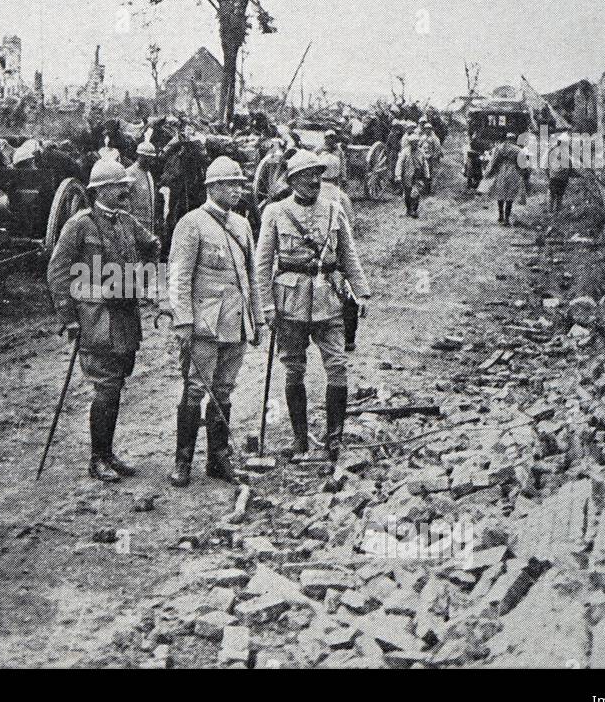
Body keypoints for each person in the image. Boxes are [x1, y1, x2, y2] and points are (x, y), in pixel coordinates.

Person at [47, 159, 161, 482]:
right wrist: (69, 318)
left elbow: (152, 245)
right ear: (101, 190)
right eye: (118, 187)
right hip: (96, 319)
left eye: (125, 186)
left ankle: (108, 454)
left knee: (117, 383)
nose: (125, 191)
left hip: (125, 317)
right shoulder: (80, 224)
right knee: (106, 387)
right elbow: (57, 272)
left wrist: (146, 278)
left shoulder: (126, 221)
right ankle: (97, 459)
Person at [255, 151, 371, 462]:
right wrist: (266, 306)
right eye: (306, 175)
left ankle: (334, 440)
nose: (313, 180)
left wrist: (361, 293)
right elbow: (263, 264)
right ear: (292, 180)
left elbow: (348, 255)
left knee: (337, 366)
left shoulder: (333, 210)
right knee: (293, 368)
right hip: (289, 303)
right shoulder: (275, 213)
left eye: (317, 174)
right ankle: (299, 440)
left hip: (328, 301)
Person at [165, 156, 264, 487]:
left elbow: (252, 277)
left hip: (236, 323)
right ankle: (183, 462)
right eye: (230, 185)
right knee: (195, 389)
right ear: (213, 187)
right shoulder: (191, 224)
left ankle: (218, 460)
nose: (237, 191)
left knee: (223, 390)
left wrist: (258, 320)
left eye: (239, 185)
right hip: (204, 324)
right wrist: (182, 321)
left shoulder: (242, 225)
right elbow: (178, 277)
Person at [485, 132, 528, 226]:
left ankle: (500, 216)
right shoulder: (517, 150)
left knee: (500, 194)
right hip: (513, 173)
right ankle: (507, 219)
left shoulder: (499, 148)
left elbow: (493, 162)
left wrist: (489, 173)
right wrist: (523, 172)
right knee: (510, 196)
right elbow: (522, 164)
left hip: (501, 171)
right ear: (513, 139)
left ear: (506, 139)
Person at [126, 141, 163, 239]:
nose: (150, 161)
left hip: (148, 226)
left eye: (151, 158)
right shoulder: (130, 173)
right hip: (135, 226)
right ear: (140, 156)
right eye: (147, 158)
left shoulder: (148, 174)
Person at [394, 132, 423, 218]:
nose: (415, 144)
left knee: (416, 193)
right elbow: (399, 164)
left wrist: (427, 174)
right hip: (407, 175)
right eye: (413, 142)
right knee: (407, 193)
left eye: (416, 142)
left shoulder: (420, 152)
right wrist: (398, 175)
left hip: (417, 175)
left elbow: (424, 163)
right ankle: (409, 209)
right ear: (410, 143)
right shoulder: (405, 152)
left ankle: (414, 209)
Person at [418, 118, 442, 192]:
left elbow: (437, 147)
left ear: (431, 129)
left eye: (429, 129)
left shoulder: (434, 138)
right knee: (423, 172)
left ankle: (428, 188)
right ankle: (424, 187)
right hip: (423, 157)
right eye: (426, 129)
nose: (427, 130)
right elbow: (418, 146)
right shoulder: (422, 137)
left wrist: (435, 155)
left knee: (430, 172)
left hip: (430, 157)